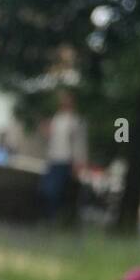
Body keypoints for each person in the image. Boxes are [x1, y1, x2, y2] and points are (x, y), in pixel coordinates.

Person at [40, 90, 87, 222]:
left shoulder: (75, 121)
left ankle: (54, 218)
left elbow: (78, 143)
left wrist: (79, 162)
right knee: (46, 189)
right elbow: (51, 138)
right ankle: (50, 216)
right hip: (53, 158)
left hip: (65, 160)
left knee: (56, 190)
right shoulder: (57, 119)